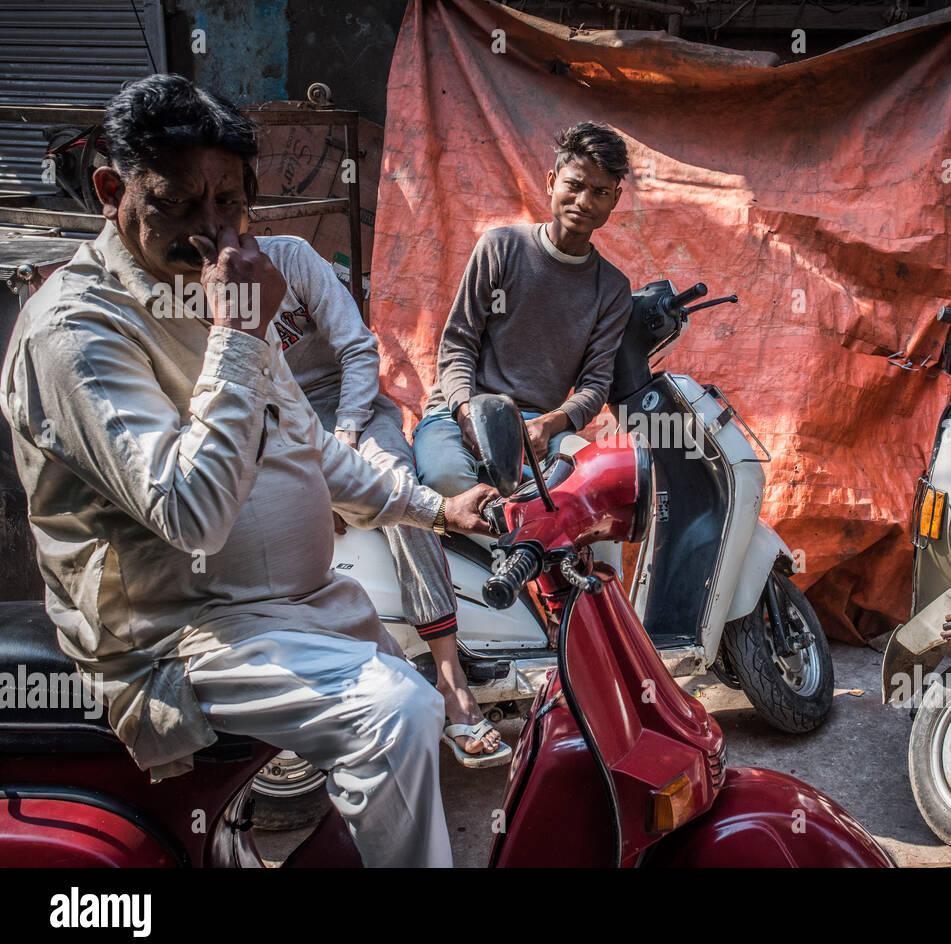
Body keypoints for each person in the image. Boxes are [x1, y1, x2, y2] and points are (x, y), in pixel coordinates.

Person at [0, 74, 496, 866]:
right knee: (395, 713)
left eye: (229, 204)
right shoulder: (76, 328)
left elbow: (303, 443)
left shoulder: (216, 288)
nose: (211, 233)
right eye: (178, 205)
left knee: (417, 704)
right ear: (109, 190)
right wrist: (238, 331)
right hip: (180, 632)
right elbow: (190, 512)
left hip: (295, 608)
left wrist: (436, 509)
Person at [260, 234, 510, 767]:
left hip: (351, 410)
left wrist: (343, 445)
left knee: (397, 488)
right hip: (275, 427)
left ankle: (450, 678)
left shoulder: (292, 257)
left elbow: (355, 348)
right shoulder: (186, 291)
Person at [411, 121, 634, 495]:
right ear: (551, 182)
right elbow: (458, 345)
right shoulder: (500, 248)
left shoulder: (612, 290)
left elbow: (595, 385)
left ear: (614, 199)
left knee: (589, 494)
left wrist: (548, 426)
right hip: (458, 413)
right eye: (574, 185)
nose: (583, 201)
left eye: (599, 192)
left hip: (537, 428)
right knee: (447, 481)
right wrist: (467, 415)